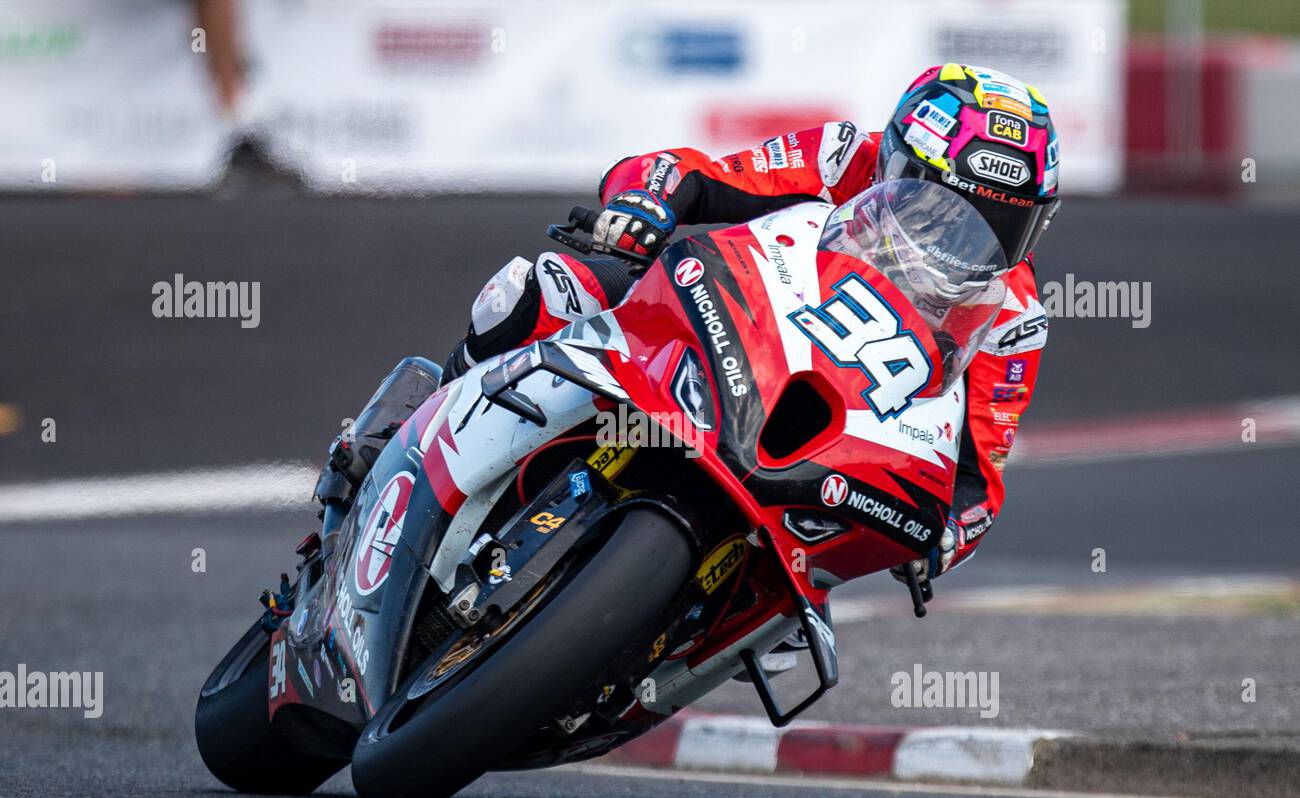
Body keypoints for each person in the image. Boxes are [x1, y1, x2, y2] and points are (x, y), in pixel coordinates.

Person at [316, 63, 1060, 582]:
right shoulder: (845, 159)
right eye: (941, 206)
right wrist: (643, 204)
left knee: (803, 605)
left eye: (999, 225)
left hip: (831, 444)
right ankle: (393, 445)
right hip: (731, 322)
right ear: (897, 163)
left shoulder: (1015, 315)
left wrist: (940, 539)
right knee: (537, 290)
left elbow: (978, 475)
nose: (963, 239)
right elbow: (695, 174)